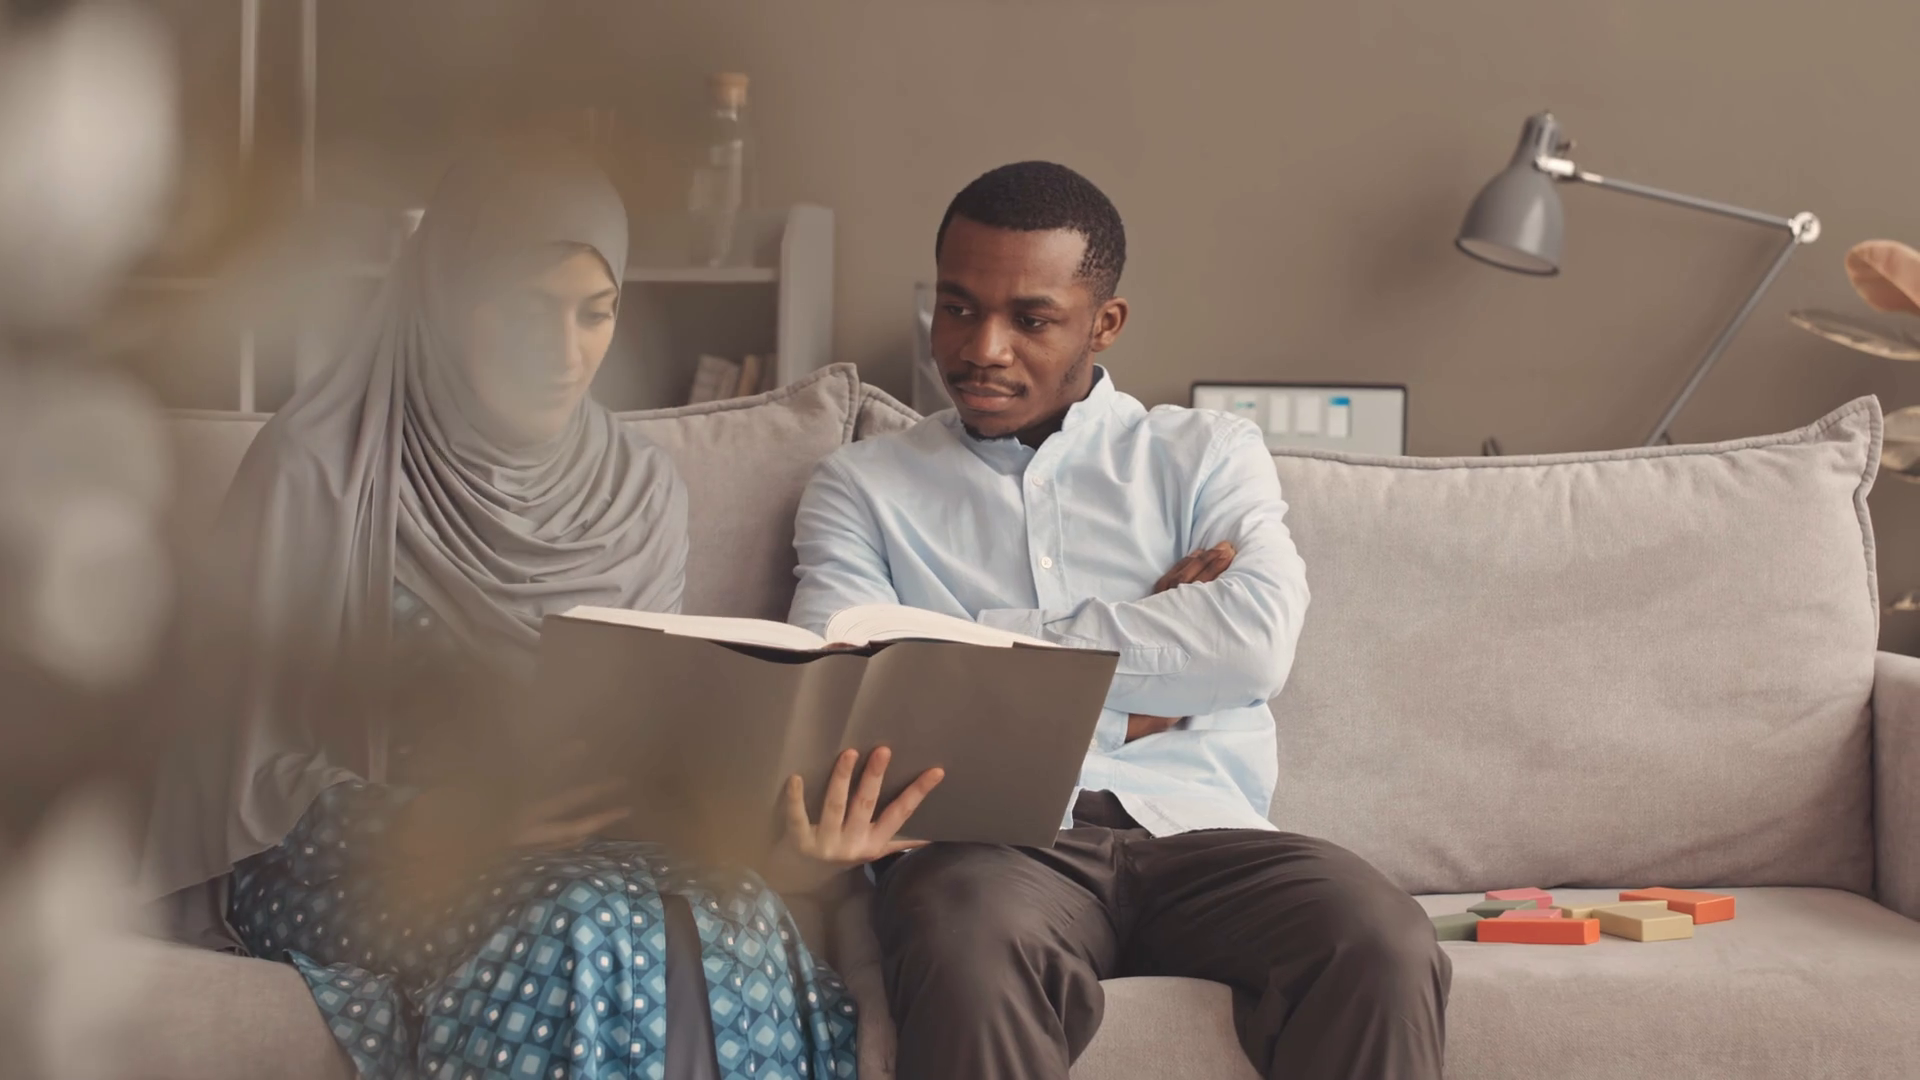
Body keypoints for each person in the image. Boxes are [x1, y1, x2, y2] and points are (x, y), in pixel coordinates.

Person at [139, 142, 939, 1080]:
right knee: (587, 931)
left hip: (594, 857)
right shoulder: (320, 469)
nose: (566, 355)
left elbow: (658, 746)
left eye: (595, 314)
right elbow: (235, 771)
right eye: (527, 311)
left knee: (735, 921)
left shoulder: (635, 489)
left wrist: (754, 823)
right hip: (358, 864)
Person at [788, 161, 1450, 1080]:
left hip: (1204, 835)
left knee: (1381, 935)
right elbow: (844, 694)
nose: (982, 347)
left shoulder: (1204, 455)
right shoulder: (861, 488)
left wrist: (978, 648)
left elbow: (1252, 645)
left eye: (1031, 318)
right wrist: (1151, 666)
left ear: (1105, 323)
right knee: (966, 939)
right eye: (956, 307)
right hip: (988, 853)